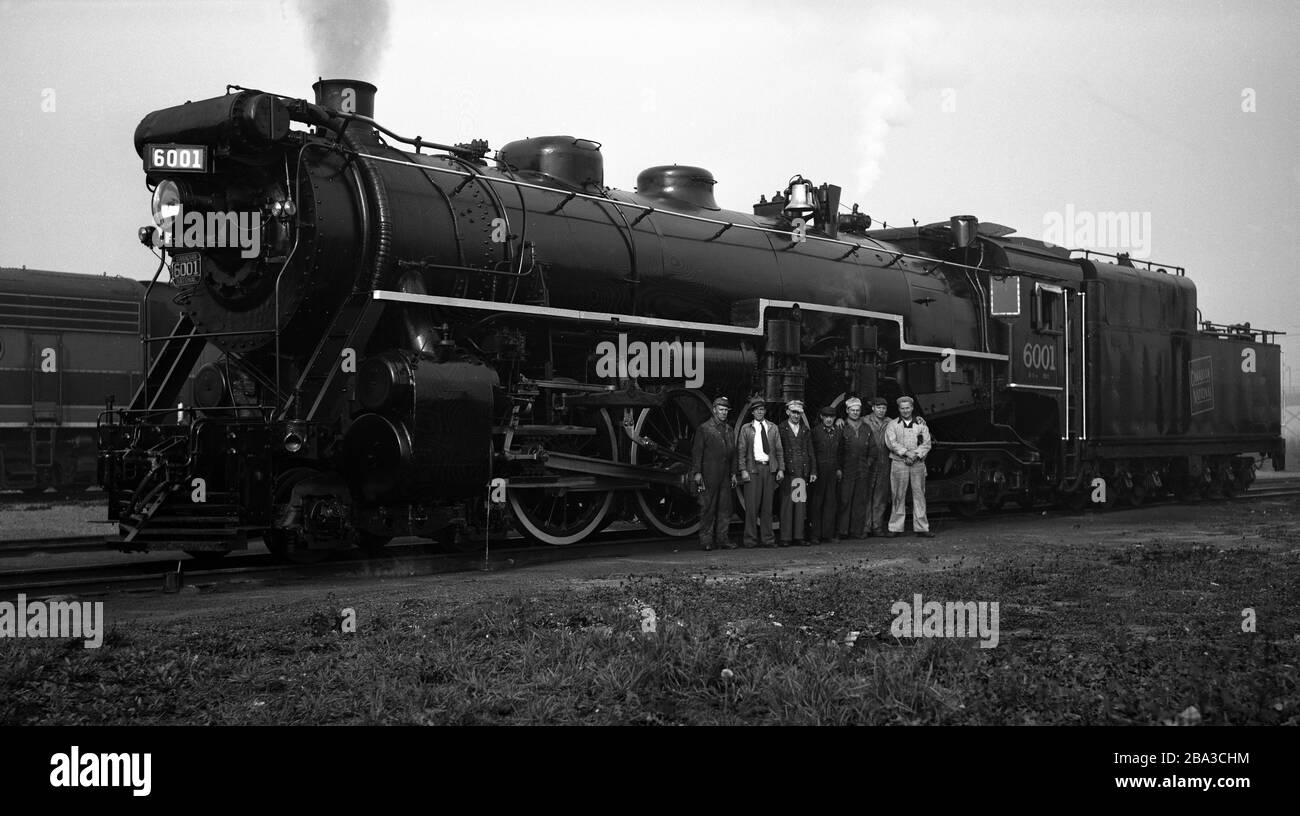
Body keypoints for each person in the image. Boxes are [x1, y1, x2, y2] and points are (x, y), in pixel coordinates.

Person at [691, 396, 738, 551]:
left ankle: (722, 539)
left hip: (725, 475)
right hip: (709, 474)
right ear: (714, 410)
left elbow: (733, 454)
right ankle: (706, 541)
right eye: (721, 409)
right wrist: (697, 472)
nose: (724, 412)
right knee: (708, 508)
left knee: (725, 508)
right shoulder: (704, 428)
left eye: (726, 410)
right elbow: (697, 452)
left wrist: (733, 473)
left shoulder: (729, 430)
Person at [884, 396, 934, 537]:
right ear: (899, 409)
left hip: (917, 464)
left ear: (912, 408)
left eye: (907, 408)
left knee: (919, 495)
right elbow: (891, 443)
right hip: (899, 463)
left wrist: (915, 455)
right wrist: (906, 453)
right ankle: (895, 528)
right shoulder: (892, 425)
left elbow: (927, 443)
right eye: (902, 408)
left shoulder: (921, 425)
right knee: (898, 495)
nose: (905, 410)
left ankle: (922, 528)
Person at [737, 401, 784, 548]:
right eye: (757, 410)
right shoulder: (746, 428)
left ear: (765, 411)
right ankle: (750, 540)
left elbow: (779, 450)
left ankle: (768, 539)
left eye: (762, 409)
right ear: (752, 412)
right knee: (751, 508)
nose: (759, 412)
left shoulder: (773, 427)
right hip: (753, 469)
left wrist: (781, 469)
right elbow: (741, 450)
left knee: (767, 507)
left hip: (769, 469)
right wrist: (743, 469)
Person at [777, 400, 817, 546]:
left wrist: (813, 471)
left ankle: (798, 536)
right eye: (794, 412)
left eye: (799, 413)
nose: (796, 415)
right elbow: (778, 450)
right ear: (788, 412)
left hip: (801, 471)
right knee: (787, 505)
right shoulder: (781, 428)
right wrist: (780, 469)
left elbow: (810, 451)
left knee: (800, 505)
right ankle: (785, 537)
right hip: (788, 472)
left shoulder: (805, 430)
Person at [837, 397, 871, 539]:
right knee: (845, 500)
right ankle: (842, 531)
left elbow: (872, 449)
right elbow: (837, 450)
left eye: (857, 410)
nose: (855, 413)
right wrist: (839, 468)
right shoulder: (841, 426)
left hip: (862, 469)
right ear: (847, 410)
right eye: (852, 410)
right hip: (847, 468)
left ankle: (856, 531)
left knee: (859, 501)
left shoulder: (866, 428)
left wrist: (867, 464)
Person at [809, 404, 843, 543]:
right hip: (819, 471)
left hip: (832, 470)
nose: (829, 419)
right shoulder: (815, 432)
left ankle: (827, 534)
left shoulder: (838, 432)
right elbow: (811, 453)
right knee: (817, 503)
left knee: (831, 502)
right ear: (822, 417)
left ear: (835, 418)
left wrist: (839, 468)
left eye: (832, 417)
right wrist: (813, 471)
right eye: (826, 417)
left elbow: (840, 452)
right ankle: (815, 535)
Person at [864, 396, 892, 537]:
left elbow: (906, 423)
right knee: (866, 495)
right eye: (878, 408)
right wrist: (839, 419)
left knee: (880, 497)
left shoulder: (890, 422)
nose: (881, 410)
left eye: (883, 408)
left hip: (884, 463)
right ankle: (866, 527)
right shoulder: (864, 420)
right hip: (869, 463)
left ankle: (877, 527)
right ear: (873, 408)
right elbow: (849, 422)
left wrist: (919, 419)